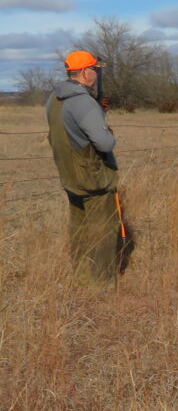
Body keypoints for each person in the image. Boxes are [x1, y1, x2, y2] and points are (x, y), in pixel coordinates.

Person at [45, 50, 127, 286]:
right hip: (93, 177)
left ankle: (81, 277)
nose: (96, 74)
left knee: (79, 226)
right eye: (95, 70)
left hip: (70, 175)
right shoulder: (84, 102)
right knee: (103, 229)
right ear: (84, 72)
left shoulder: (54, 99)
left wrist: (98, 113)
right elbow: (104, 143)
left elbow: (72, 130)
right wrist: (106, 128)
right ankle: (101, 285)